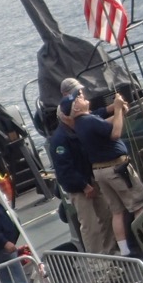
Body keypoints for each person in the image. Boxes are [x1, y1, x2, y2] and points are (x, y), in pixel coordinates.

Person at [70, 89, 143, 257]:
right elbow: (115, 133)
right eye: (77, 99)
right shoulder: (89, 120)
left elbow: (108, 124)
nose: (81, 97)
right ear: (75, 109)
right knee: (139, 205)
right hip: (116, 169)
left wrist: (119, 111)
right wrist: (119, 108)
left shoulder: (82, 123)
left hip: (100, 171)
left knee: (117, 211)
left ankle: (125, 250)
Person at [49, 85, 117, 256]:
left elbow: (96, 116)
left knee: (106, 216)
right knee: (90, 225)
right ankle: (97, 261)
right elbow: (65, 170)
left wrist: (114, 108)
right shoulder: (60, 140)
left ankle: (110, 251)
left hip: (92, 178)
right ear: (65, 116)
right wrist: (84, 186)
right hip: (79, 187)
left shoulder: (79, 124)